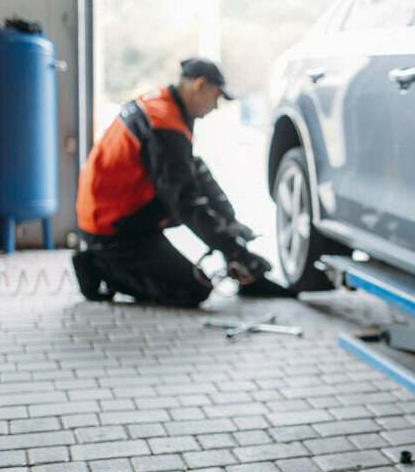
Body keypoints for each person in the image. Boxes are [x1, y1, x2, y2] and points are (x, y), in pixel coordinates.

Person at [72, 57, 289, 306]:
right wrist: (234, 250)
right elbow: (184, 202)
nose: (216, 107)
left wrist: (230, 224)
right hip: (112, 228)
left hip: (128, 214)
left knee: (189, 192)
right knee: (194, 290)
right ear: (200, 86)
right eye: (216, 97)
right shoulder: (162, 123)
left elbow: (195, 171)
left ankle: (114, 259)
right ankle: (97, 265)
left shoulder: (163, 105)